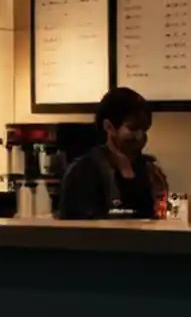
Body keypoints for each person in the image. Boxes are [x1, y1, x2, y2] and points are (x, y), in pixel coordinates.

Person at [56, 87, 168, 220]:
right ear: (109, 127)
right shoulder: (84, 171)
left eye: (144, 129)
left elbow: (161, 215)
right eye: (133, 128)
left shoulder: (150, 171)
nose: (140, 136)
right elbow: (79, 230)